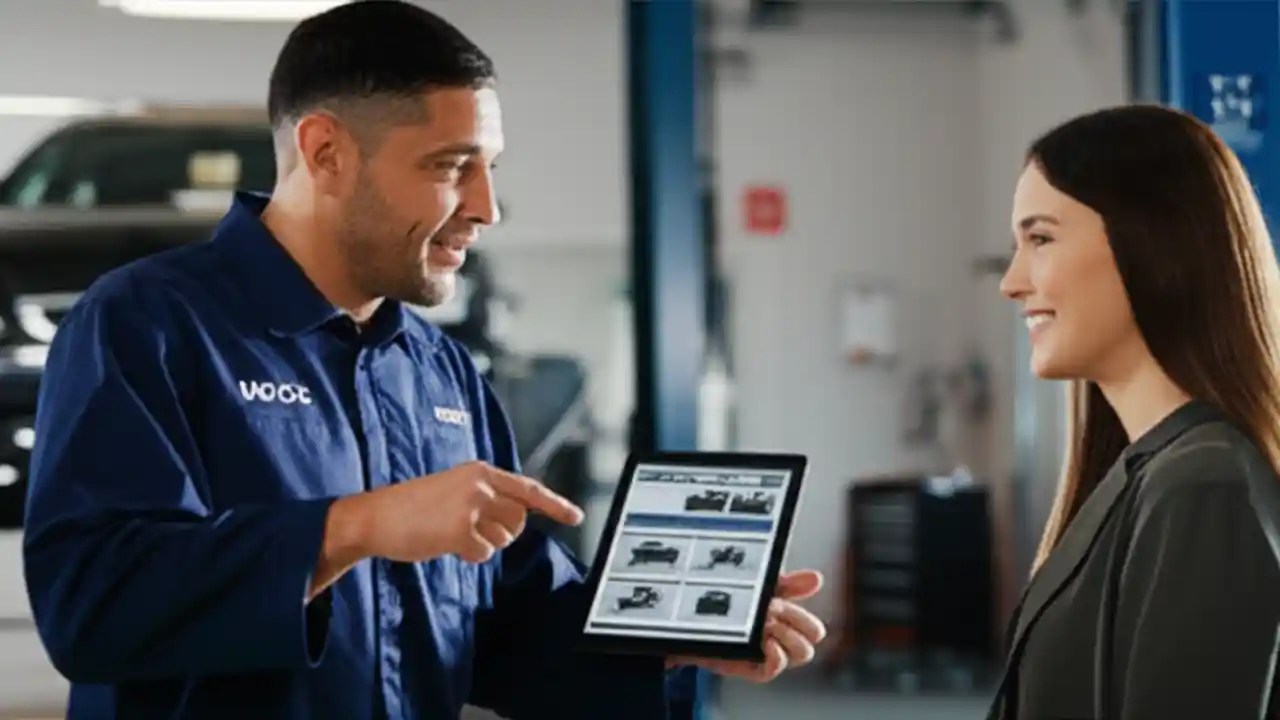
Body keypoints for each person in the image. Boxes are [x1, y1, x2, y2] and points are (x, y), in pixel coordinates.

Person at [20, 2, 826, 718]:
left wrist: (671, 639)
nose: (485, 207)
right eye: (449, 167)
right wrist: (353, 529)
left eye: (490, 170)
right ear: (326, 151)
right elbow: (93, 605)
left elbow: (506, 632)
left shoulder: (440, 372)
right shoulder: (146, 324)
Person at [990, 103, 1280, 719]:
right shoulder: (1148, 472)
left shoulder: (1202, 485)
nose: (1011, 281)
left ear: (1152, 241)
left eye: (1040, 238)